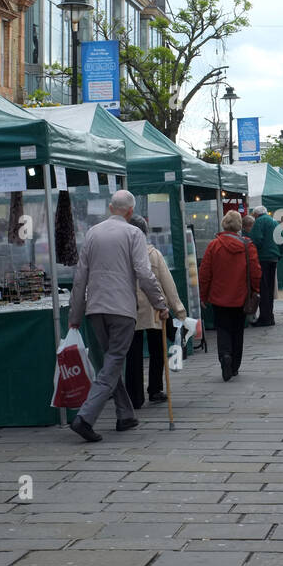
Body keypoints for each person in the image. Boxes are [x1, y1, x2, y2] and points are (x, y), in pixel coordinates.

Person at [69, 190, 167, 443]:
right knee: (113, 363)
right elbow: (144, 273)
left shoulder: (92, 233)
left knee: (110, 364)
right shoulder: (133, 233)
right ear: (131, 212)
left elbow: (80, 279)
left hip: (95, 309)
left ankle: (125, 414)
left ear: (111, 208)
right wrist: (160, 303)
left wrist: (75, 315)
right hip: (122, 309)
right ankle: (85, 417)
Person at [125, 215, 187, 409]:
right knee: (156, 349)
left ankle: (134, 395)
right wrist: (179, 310)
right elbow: (168, 284)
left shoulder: (122, 253)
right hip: (154, 308)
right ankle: (155, 389)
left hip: (129, 308)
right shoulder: (153, 254)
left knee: (132, 353)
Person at [199, 210, 261, 382]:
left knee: (223, 329)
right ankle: (234, 365)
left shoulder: (213, 245)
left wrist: (203, 296)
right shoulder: (248, 245)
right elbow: (256, 272)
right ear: (239, 226)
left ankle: (225, 356)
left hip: (219, 297)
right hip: (241, 296)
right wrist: (255, 290)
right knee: (238, 330)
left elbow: (204, 273)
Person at [248, 206, 281, 327]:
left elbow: (256, 239)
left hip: (263, 259)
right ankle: (270, 317)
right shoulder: (274, 222)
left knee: (263, 289)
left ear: (256, 214)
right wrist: (278, 254)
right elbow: (281, 241)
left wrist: (256, 253)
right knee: (270, 289)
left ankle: (265, 318)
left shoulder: (259, 222)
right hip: (273, 258)